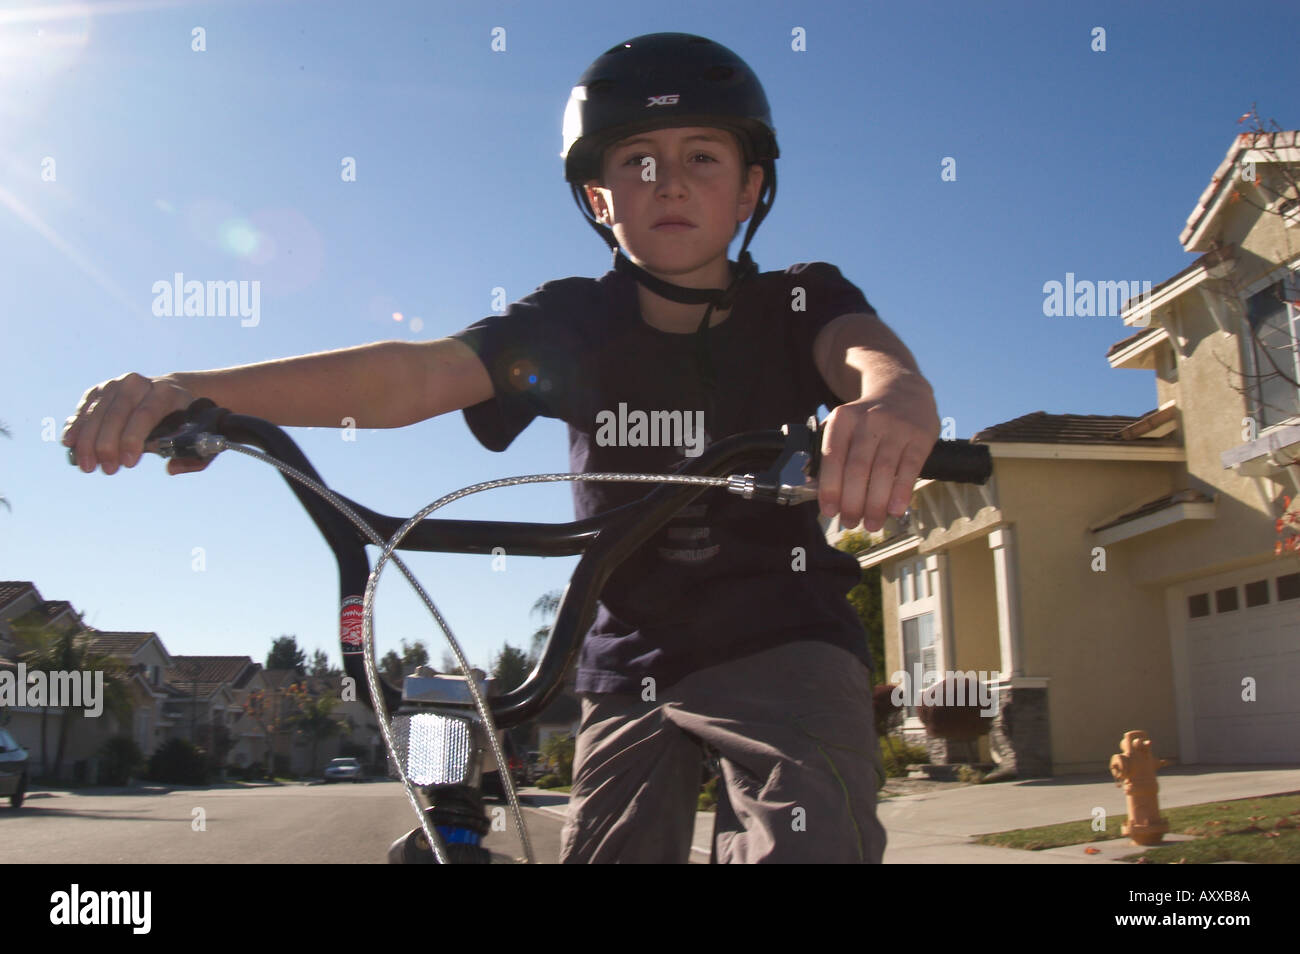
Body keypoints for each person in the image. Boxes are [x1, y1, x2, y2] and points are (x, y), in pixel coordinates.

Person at [62, 32, 940, 863]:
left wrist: (894, 394)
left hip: (781, 633)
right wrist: (195, 394)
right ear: (600, 199)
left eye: (701, 157)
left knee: (812, 834)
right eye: (636, 162)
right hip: (625, 654)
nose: (668, 182)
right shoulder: (573, 321)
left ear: (750, 191)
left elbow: (860, 350)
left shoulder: (797, 299)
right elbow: (412, 379)